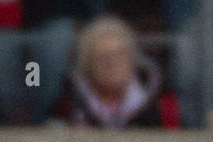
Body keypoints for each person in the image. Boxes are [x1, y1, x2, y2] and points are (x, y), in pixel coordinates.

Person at [51, 15, 179, 128]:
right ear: (87, 65)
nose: (112, 64)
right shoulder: (67, 109)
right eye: (103, 57)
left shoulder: (164, 109)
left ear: (132, 60)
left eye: (119, 55)